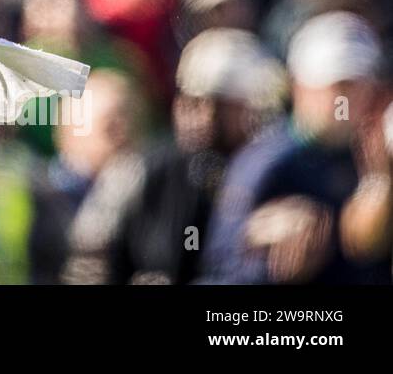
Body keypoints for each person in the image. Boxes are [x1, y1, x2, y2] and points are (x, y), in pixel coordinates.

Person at [63, 29, 285, 284]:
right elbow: (89, 258)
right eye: (192, 102)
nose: (198, 114)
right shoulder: (142, 170)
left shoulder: (269, 173)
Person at [202, 12, 391, 284]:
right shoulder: (265, 163)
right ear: (299, 86)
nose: (351, 100)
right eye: (339, 86)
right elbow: (219, 263)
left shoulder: (375, 152)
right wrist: (261, 248)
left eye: (361, 85)